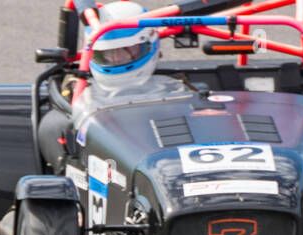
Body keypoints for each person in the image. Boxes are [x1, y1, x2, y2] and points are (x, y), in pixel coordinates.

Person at [39, 2, 191, 170]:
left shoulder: (179, 89)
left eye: (128, 50)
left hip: (165, 170)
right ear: (92, 52)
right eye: (107, 55)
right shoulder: (79, 95)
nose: (117, 58)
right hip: (103, 172)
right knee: (55, 123)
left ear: (150, 44)